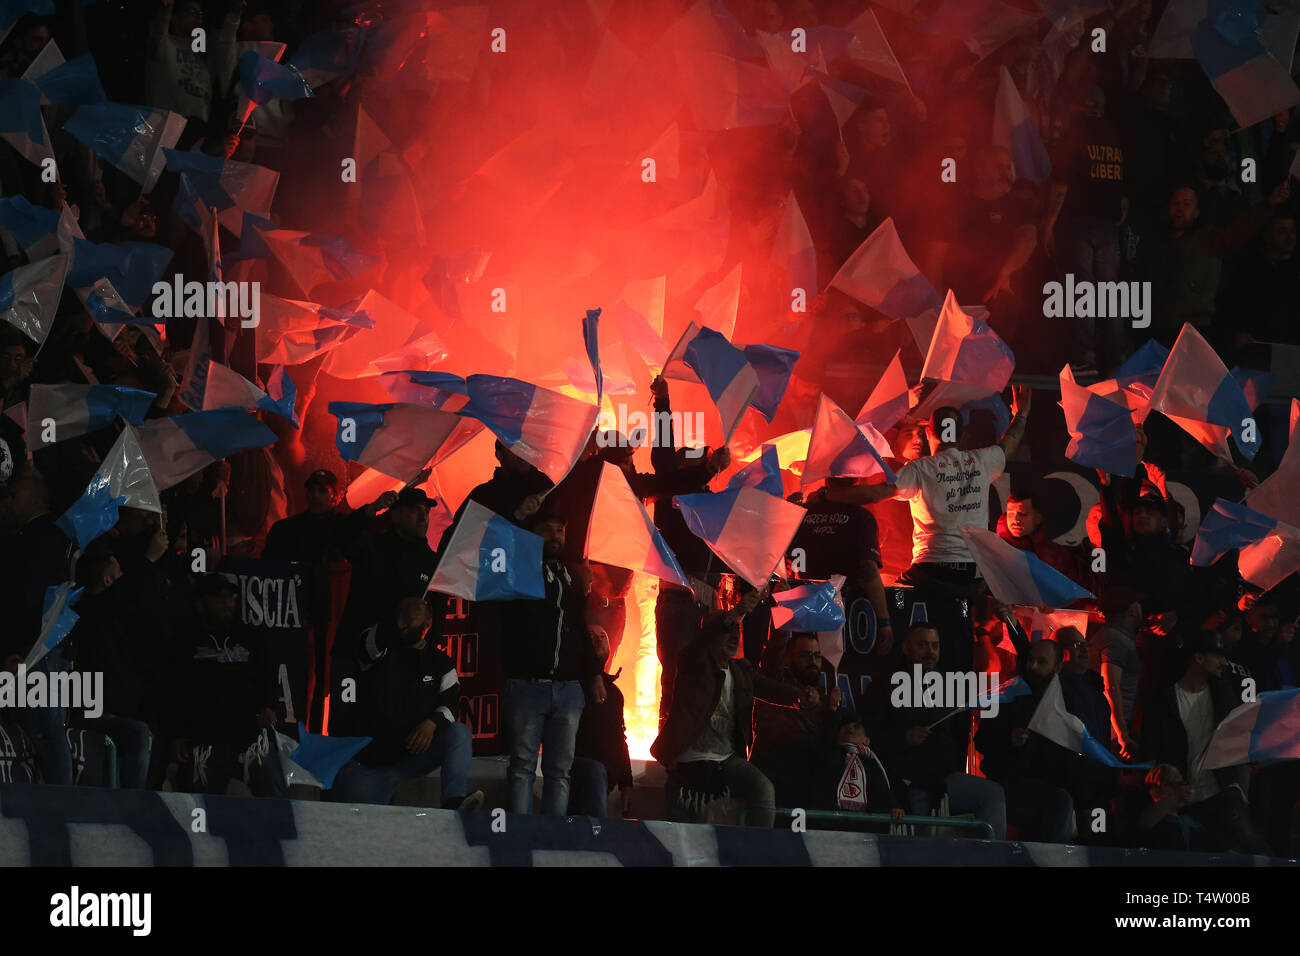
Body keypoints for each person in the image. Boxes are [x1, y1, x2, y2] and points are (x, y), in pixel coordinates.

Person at [814, 387, 1030, 606]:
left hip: (930, 571)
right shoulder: (982, 461)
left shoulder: (920, 469)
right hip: (973, 575)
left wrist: (825, 495)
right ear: (962, 434)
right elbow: (1011, 440)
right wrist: (1020, 415)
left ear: (929, 434)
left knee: (887, 598)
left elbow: (874, 494)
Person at [652, 591, 803, 828]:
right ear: (711, 636)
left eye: (738, 631)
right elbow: (701, 642)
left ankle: (756, 851)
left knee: (763, 788)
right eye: (729, 630)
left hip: (727, 759)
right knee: (685, 831)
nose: (734, 636)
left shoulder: (740, 671)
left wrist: (805, 697)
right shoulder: (693, 664)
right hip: (688, 759)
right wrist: (737, 612)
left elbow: (773, 687)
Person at [330, 597, 484, 810]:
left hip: (411, 756)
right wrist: (396, 624)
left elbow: (451, 704)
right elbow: (368, 647)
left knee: (459, 733)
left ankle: (453, 800)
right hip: (369, 763)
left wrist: (431, 723)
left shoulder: (440, 661)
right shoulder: (379, 649)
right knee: (359, 828)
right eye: (405, 616)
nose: (409, 621)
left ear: (428, 624)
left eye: (416, 616)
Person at [496, 510, 603, 816]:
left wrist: (594, 673)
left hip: (568, 688)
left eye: (560, 530)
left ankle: (551, 839)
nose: (556, 536)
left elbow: (580, 628)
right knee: (523, 767)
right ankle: (519, 838)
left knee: (560, 771)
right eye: (547, 530)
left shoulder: (568, 576)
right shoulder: (518, 570)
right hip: (528, 685)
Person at [864, 622, 1008, 840]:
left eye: (935, 646)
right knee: (920, 850)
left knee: (992, 793)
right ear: (906, 648)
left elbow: (962, 736)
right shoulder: (884, 684)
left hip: (944, 782)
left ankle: (990, 858)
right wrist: (904, 738)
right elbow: (866, 738)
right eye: (923, 645)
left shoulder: (949, 685)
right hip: (905, 783)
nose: (930, 652)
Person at [1138, 630, 1269, 854]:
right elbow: (1151, 747)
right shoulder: (1164, 698)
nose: (1224, 662)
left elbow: (1237, 735)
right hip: (1180, 797)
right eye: (1217, 656)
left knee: (1250, 848)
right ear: (1199, 658)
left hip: (1218, 792)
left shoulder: (1222, 694)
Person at [167, 573, 285, 798]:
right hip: (204, 740)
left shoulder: (251, 637)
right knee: (199, 795)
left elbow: (270, 679)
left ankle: (272, 832)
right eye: (218, 597)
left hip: (250, 737)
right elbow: (172, 691)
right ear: (200, 604)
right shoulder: (184, 641)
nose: (226, 602)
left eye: (230, 597)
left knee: (272, 781)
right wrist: (176, 735)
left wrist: (269, 707)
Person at [974, 640, 1077, 843]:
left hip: (1046, 785)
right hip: (1008, 783)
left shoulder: (1064, 703)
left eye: (1041, 662)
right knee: (1059, 803)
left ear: (1057, 667)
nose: (1033, 666)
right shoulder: (1006, 694)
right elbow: (981, 741)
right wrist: (1008, 739)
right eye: (1031, 660)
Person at [751, 633, 842, 808]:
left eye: (817, 656)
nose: (813, 661)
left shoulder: (824, 699)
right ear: (788, 657)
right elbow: (774, 650)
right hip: (772, 783)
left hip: (807, 789)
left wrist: (831, 711)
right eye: (805, 655)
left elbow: (828, 748)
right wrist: (785, 617)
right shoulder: (775, 679)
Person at [570, 624, 633, 818]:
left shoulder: (614, 693)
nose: (598, 640)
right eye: (591, 636)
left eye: (603, 636)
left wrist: (626, 782)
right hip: (574, 770)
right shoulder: (569, 686)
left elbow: (618, 736)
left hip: (604, 777)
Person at [809, 713, 906, 819]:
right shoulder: (828, 753)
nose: (850, 727)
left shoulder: (872, 762)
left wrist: (894, 806)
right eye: (845, 725)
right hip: (826, 821)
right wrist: (832, 712)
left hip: (862, 824)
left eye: (857, 726)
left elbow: (881, 787)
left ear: (867, 740)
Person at [996, 489, 1089, 587]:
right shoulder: (992, 550)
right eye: (1010, 514)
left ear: (1037, 518)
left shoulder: (1055, 555)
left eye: (1022, 514)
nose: (1015, 520)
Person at [1091, 588, 1143, 759]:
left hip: (1110, 727)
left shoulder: (1113, 635)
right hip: (1114, 731)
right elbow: (1111, 686)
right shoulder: (1116, 639)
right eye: (1139, 604)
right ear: (1132, 609)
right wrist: (1123, 735)